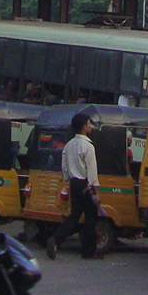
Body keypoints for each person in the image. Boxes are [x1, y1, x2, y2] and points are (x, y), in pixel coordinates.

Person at [44, 111, 103, 259]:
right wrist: (97, 193)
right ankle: (88, 252)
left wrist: (68, 180)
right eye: (89, 124)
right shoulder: (88, 146)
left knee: (74, 215)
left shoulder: (69, 145)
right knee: (91, 218)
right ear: (84, 127)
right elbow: (92, 172)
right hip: (86, 185)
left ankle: (56, 238)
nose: (90, 126)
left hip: (74, 183)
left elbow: (64, 166)